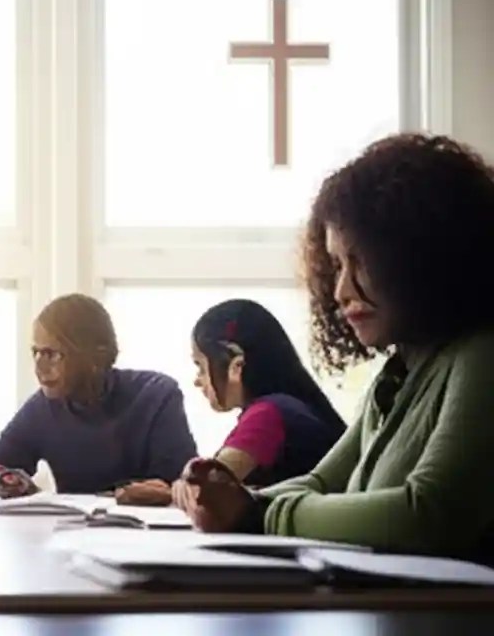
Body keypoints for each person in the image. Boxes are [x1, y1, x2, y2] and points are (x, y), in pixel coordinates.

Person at [174, 133, 494, 563]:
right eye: (337, 265)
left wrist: (258, 513)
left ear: (421, 253)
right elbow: (323, 484)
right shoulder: (401, 371)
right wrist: (228, 500)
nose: (341, 290)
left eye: (359, 261)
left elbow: (431, 513)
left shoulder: (482, 351)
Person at [0, 293, 197, 500]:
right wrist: (16, 487)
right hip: (74, 538)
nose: (39, 367)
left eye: (52, 354)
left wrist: (165, 493)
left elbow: (189, 488)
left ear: (97, 356)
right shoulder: (43, 407)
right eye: (35, 353)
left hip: (152, 539)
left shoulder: (156, 395)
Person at [190, 299, 345, 486]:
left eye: (201, 367)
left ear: (236, 365)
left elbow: (205, 488)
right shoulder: (292, 408)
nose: (197, 380)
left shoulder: (266, 415)